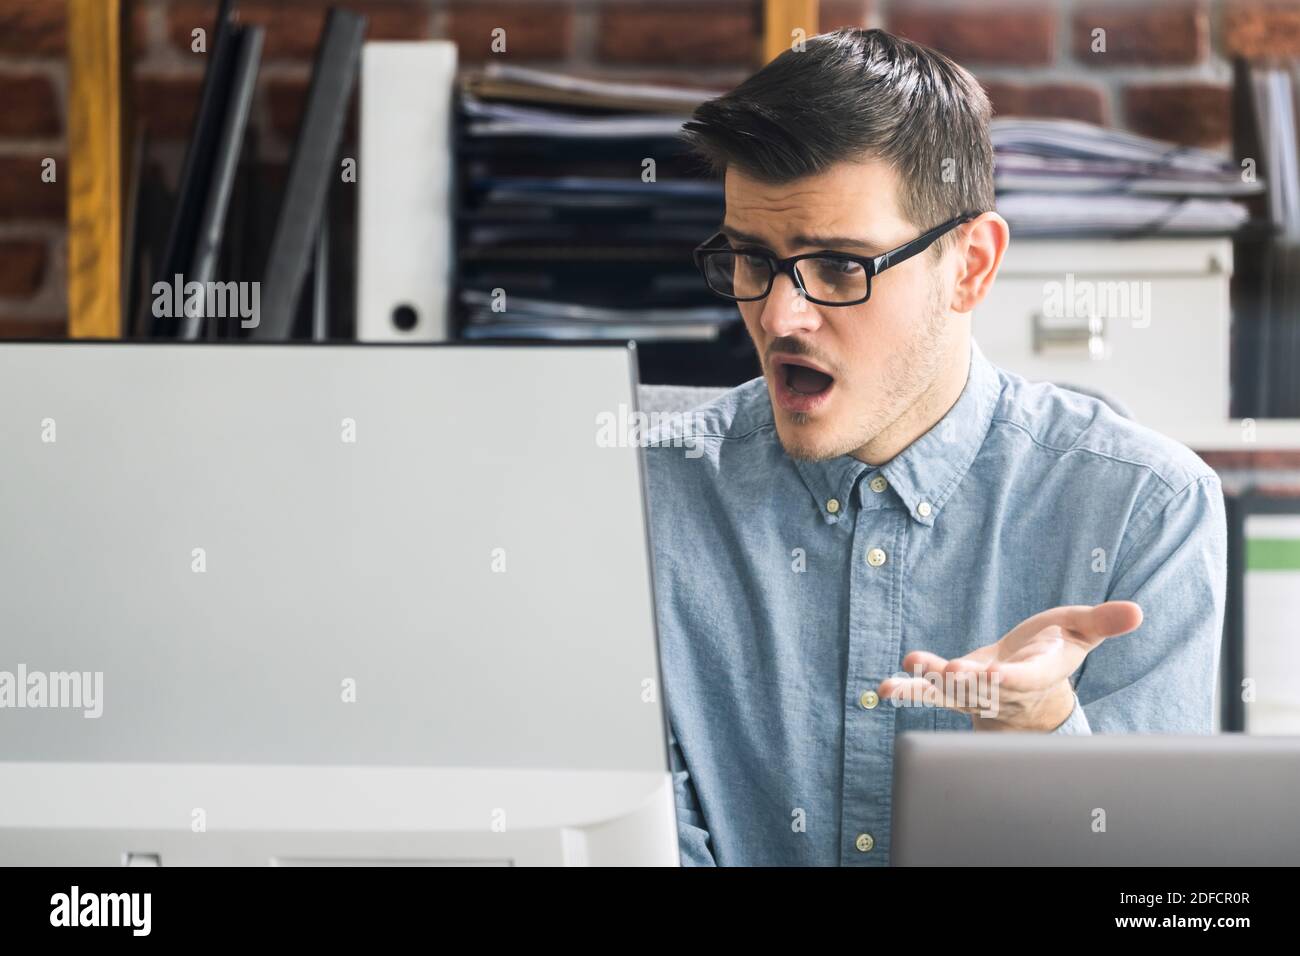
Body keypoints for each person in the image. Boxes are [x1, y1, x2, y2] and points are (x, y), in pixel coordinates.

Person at [643, 27, 1226, 866]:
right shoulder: (643, 500)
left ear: (971, 267)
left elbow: (1169, 904)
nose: (778, 317)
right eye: (751, 260)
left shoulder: (1146, 508)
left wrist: (1045, 733)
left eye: (840, 267)